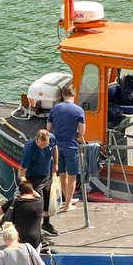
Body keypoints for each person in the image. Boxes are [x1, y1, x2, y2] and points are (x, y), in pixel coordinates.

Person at [49, 84, 86, 213]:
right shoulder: (79, 110)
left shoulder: (54, 109)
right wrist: (74, 135)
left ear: (63, 95)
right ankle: (67, 205)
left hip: (57, 147)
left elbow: (49, 129)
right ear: (74, 95)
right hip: (71, 146)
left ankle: (68, 200)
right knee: (72, 177)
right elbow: (82, 132)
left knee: (63, 175)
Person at [20, 127, 59, 236]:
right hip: (34, 178)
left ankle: (46, 224)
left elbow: (55, 147)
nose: (43, 147)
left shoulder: (51, 138)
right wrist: (27, 187)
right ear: (36, 140)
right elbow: (21, 171)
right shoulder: (29, 149)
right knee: (37, 205)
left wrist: (56, 163)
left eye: (45, 145)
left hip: (47, 175)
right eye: (41, 145)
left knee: (47, 200)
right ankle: (35, 231)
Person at [3, 179, 46, 249]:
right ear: (31, 191)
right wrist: (30, 189)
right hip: (35, 240)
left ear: (20, 192)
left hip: (19, 240)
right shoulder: (40, 202)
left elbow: (0, 210)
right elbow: (37, 195)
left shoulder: (15, 202)